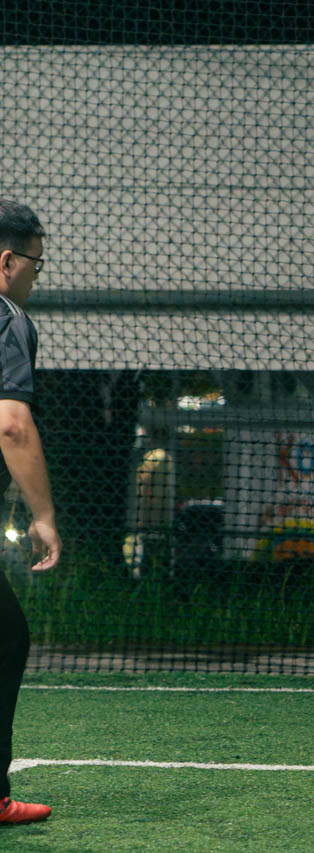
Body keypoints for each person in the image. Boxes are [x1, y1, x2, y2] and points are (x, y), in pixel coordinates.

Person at [0, 200, 61, 826]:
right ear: (7, 261)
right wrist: (43, 513)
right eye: (37, 266)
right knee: (5, 637)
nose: (36, 278)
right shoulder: (7, 317)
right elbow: (12, 425)